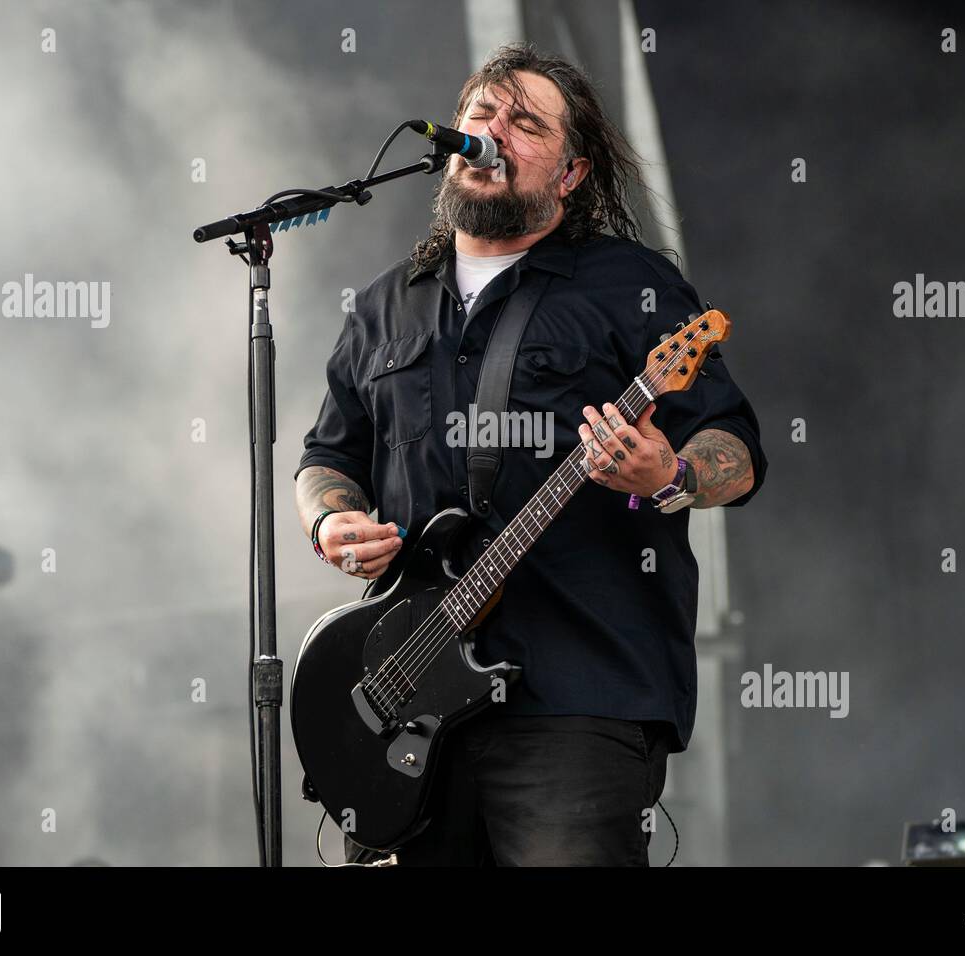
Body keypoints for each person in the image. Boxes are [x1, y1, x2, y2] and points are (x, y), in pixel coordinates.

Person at [295, 43, 767, 866]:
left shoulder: (629, 285)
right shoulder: (382, 307)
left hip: (574, 695)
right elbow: (326, 458)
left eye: (525, 123)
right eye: (481, 114)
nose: (494, 130)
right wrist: (332, 523)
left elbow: (735, 445)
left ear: (572, 173)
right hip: (409, 700)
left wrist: (673, 476)